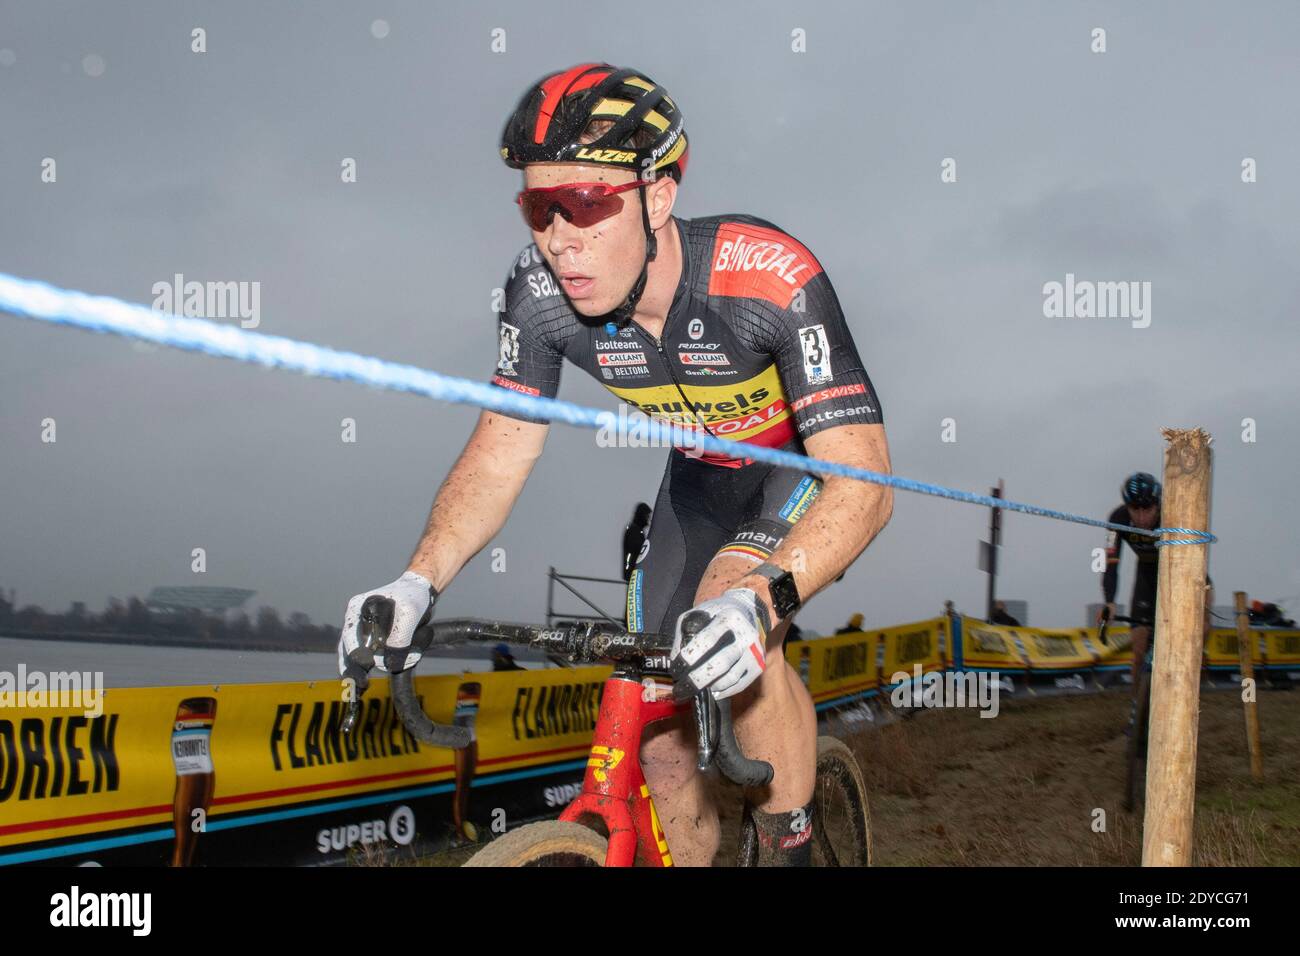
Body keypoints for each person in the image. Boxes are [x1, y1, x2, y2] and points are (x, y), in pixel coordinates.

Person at [338, 63, 892, 867]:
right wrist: (416, 581)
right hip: (697, 486)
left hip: (798, 469)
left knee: (725, 613)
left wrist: (763, 600)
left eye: (589, 204)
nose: (561, 237)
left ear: (658, 196)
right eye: (538, 206)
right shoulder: (538, 297)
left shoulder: (767, 280)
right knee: (660, 742)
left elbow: (866, 482)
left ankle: (789, 839)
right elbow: (501, 450)